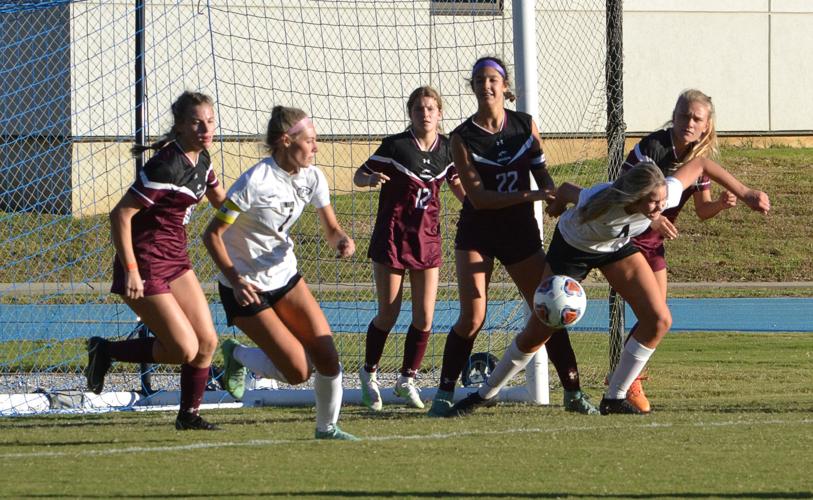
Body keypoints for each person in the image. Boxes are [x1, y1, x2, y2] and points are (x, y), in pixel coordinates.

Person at [445, 157, 770, 417]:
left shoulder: (662, 193)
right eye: (654, 204)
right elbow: (570, 189)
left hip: (617, 247)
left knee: (659, 320)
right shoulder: (602, 198)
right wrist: (557, 206)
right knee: (538, 331)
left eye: (661, 202)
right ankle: (486, 394)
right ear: (635, 198)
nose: (661, 207)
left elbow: (701, 164)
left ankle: (614, 397)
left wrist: (746, 193)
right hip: (572, 248)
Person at [426, 56, 599, 417]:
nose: (486, 86)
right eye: (479, 80)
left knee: (549, 311)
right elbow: (480, 199)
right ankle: (444, 394)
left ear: (506, 87)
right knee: (472, 317)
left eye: (493, 79)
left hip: (520, 232)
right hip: (478, 231)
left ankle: (573, 391)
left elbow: (541, 170)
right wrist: (535, 195)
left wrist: (553, 194)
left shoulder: (525, 125)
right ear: (472, 87)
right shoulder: (461, 138)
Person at [202, 105, 359, 441]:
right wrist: (235, 277)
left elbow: (332, 229)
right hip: (244, 287)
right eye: (311, 141)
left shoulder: (313, 177)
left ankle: (326, 429)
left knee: (327, 355)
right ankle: (237, 354)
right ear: (287, 141)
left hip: (285, 277)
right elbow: (211, 235)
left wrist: (342, 240)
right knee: (298, 371)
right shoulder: (253, 182)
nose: (316, 148)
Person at [85, 91, 227, 430]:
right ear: (179, 126)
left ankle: (188, 417)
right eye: (196, 122)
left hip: (176, 259)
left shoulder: (202, 160)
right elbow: (120, 215)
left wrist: (261, 219)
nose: (205, 128)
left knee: (206, 342)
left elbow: (223, 201)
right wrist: (131, 269)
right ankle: (106, 352)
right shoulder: (166, 165)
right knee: (182, 348)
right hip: (145, 262)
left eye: (209, 121)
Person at [618, 89, 736, 412]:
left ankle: (628, 378)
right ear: (675, 115)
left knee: (659, 318)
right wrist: (654, 218)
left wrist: (721, 205)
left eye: (696, 118)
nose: (688, 122)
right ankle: (627, 384)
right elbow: (625, 193)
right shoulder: (653, 147)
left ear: (706, 125)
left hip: (654, 244)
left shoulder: (697, 161)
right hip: (630, 236)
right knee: (652, 316)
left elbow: (702, 210)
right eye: (684, 115)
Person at [354, 86, 465, 411]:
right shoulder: (396, 146)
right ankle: (369, 374)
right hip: (392, 237)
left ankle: (407, 379)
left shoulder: (448, 149)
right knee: (389, 313)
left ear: (440, 113)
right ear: (410, 113)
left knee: (425, 316)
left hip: (427, 239)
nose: (425, 113)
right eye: (419, 109)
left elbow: (458, 184)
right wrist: (370, 180)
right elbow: (360, 175)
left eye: (431, 108)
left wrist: (477, 209)